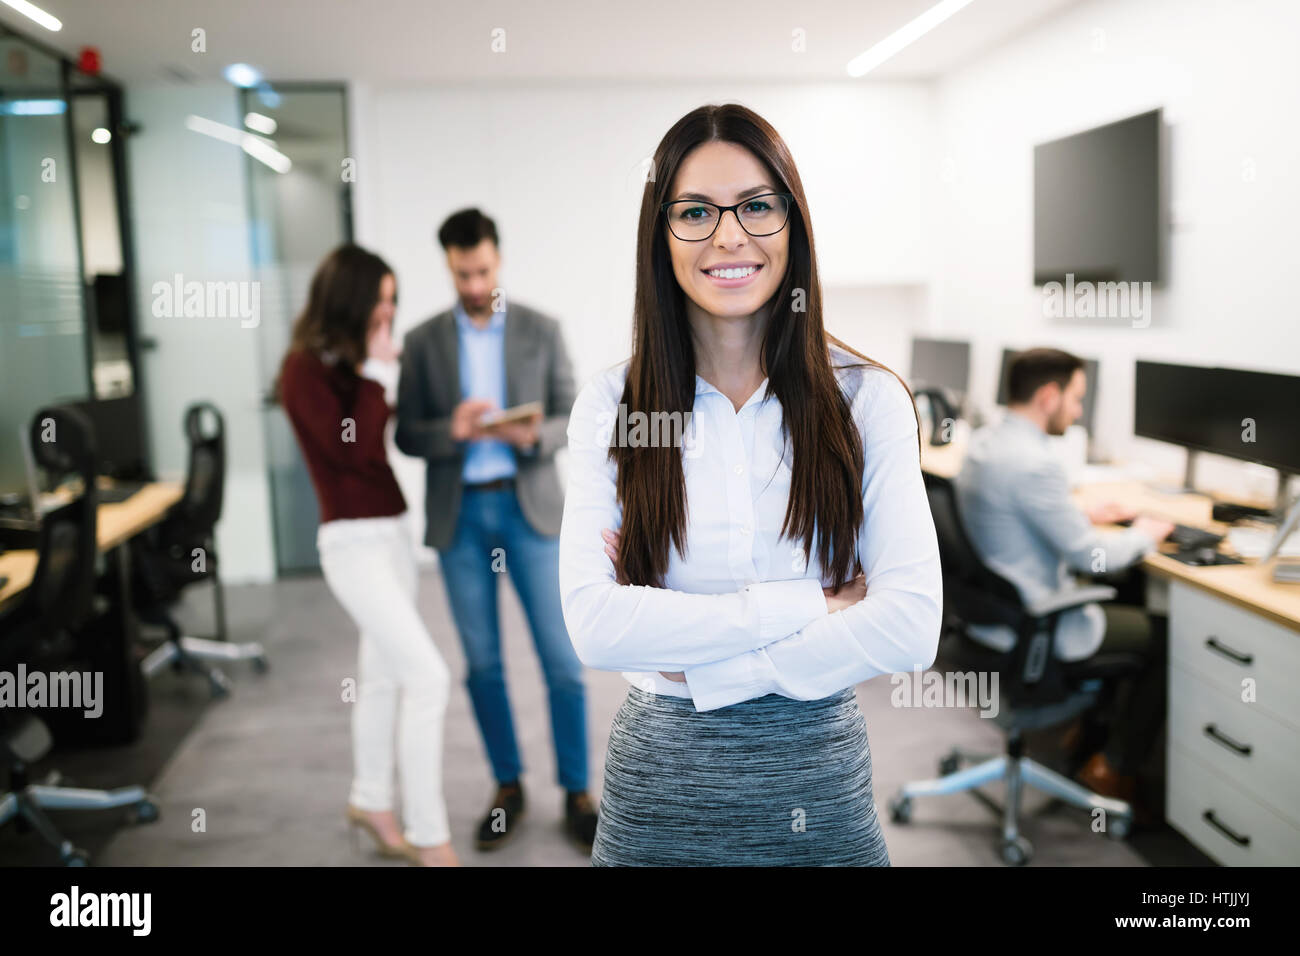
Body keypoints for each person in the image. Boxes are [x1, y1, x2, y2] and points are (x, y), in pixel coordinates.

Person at [558, 103, 943, 866]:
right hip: (660, 793)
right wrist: (814, 604)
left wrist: (706, 660)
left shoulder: (867, 401)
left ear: (792, 225)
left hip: (819, 787)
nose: (730, 236)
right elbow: (596, 626)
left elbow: (910, 626)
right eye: (696, 212)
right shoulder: (614, 406)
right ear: (660, 234)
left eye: (757, 207)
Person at [394, 209, 596, 852]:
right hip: (462, 518)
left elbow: (573, 415)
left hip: (529, 509)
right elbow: (405, 433)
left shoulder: (541, 328)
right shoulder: (425, 341)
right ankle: (508, 786)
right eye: (461, 272)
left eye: (482, 269)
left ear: (497, 260)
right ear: (448, 265)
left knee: (563, 661)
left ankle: (576, 790)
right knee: (482, 665)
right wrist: (448, 429)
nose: (474, 282)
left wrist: (530, 433)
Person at [277, 244, 458, 867]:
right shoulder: (301, 370)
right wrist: (378, 374)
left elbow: (393, 444)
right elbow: (349, 451)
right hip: (350, 545)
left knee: (382, 677)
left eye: (393, 301)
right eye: (380, 302)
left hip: (392, 533)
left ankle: (371, 801)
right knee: (428, 678)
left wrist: (380, 374)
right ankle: (432, 838)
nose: (389, 313)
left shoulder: (361, 367)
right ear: (350, 301)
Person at [954, 347, 1173, 817]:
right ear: (1048, 396)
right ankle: (1113, 767)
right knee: (1166, 636)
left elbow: (1022, 514)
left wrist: (1077, 514)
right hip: (1036, 618)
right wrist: (1144, 534)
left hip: (989, 613)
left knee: (1129, 595)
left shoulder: (987, 442)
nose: (1078, 413)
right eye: (1076, 400)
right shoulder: (1035, 461)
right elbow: (1089, 557)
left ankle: (1086, 733)